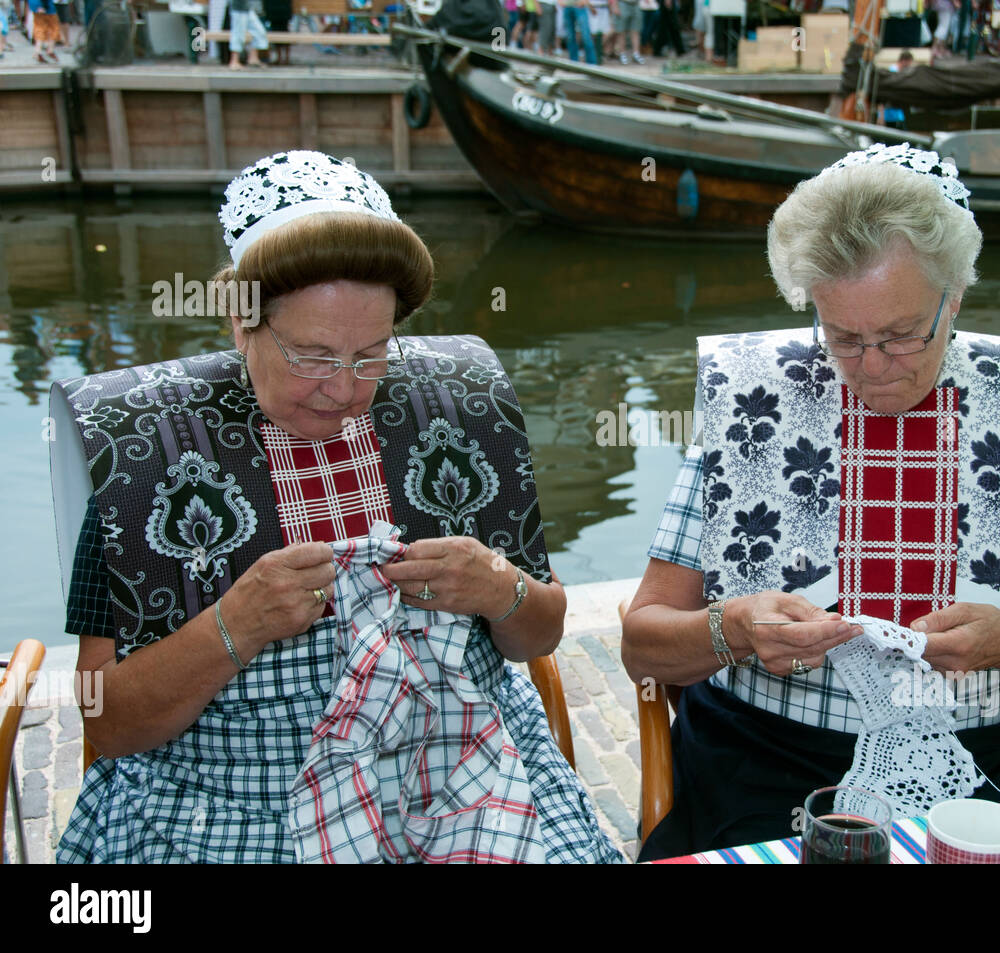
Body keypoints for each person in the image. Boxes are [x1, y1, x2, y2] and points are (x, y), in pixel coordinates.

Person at [53, 150, 621, 864]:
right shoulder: (144, 453)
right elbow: (111, 720)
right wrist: (233, 626)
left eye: (373, 355)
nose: (345, 389)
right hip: (238, 803)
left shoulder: (457, 415)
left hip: (462, 779)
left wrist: (498, 589)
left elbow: (540, 633)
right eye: (313, 357)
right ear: (241, 323)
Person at [622, 144, 1000, 861]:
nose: (871, 365)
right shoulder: (753, 397)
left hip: (978, 759)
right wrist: (734, 625)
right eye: (842, 337)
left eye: (899, 333)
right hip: (766, 757)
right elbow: (642, 642)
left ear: (954, 296)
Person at [228, 0, 269, 67]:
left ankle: (253, 58)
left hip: (248, 8)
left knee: (259, 32)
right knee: (238, 34)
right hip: (238, 8)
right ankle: (234, 61)